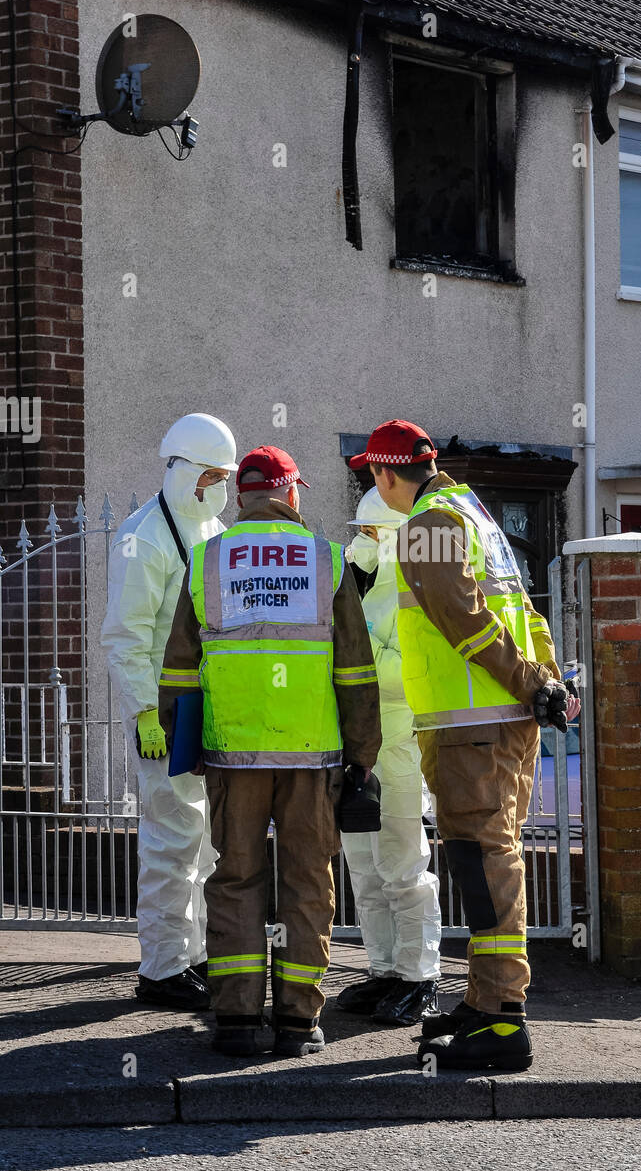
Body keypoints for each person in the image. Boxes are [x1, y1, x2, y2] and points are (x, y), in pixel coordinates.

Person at [349, 420, 579, 1071]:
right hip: (499, 720)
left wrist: (534, 683)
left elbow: (463, 618)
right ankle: (483, 1003)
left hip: (470, 724)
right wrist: (546, 685)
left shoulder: (425, 524)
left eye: (372, 474)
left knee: (484, 866)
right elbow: (526, 611)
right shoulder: (473, 512)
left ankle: (504, 1022)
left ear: (384, 474)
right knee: (487, 861)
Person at [157, 445, 381, 1058]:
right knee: (308, 882)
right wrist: (364, 754)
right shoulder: (327, 562)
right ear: (291, 492)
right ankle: (298, 1021)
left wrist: (186, 744)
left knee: (236, 880)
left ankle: (234, 1019)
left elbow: (178, 669)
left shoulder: (206, 562)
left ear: (244, 496)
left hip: (232, 756)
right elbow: (356, 673)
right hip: (313, 758)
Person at [101, 413, 237, 1010]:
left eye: (225, 475)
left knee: (204, 845)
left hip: (206, 713)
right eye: (211, 474)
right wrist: (142, 716)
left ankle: (195, 960)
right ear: (184, 471)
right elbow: (124, 639)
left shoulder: (211, 527)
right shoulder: (143, 537)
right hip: (165, 719)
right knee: (169, 844)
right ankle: (161, 969)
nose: (220, 484)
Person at [337, 486, 442, 1026]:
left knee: (403, 863)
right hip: (357, 742)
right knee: (364, 865)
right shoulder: (359, 577)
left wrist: (354, 645)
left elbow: (405, 671)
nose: (363, 540)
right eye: (362, 531)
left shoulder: (413, 587)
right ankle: (383, 970)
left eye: (373, 531)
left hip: (396, 739)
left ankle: (420, 976)